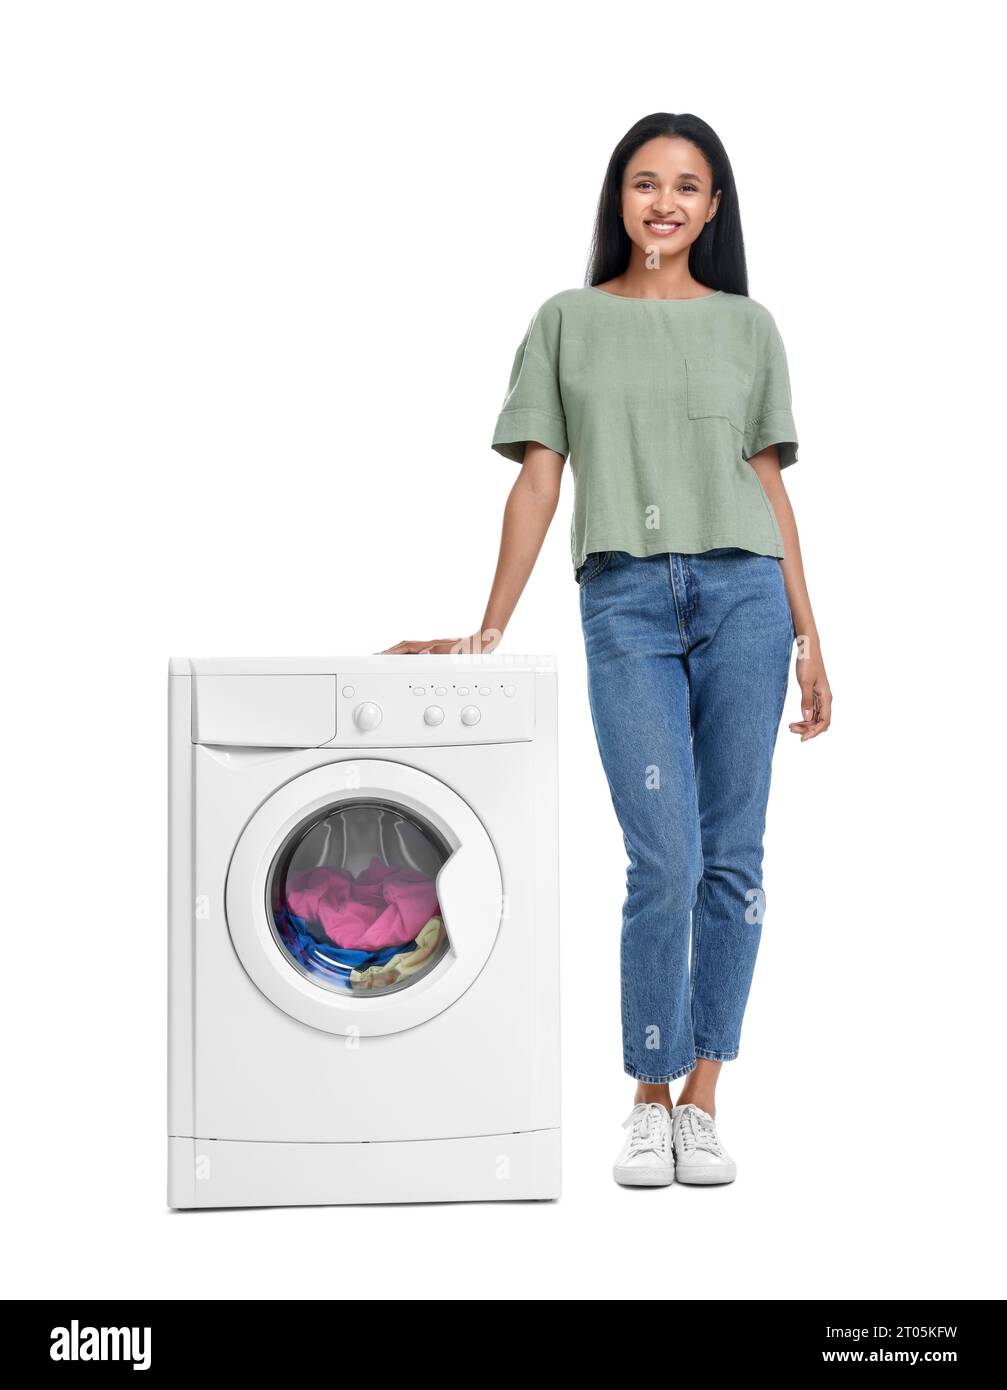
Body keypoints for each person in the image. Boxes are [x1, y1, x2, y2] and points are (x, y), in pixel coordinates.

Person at [385, 112, 832, 1189]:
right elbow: (538, 478)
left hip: (743, 599)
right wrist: (489, 623)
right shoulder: (566, 321)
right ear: (617, 199)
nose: (663, 203)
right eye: (643, 183)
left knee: (731, 858)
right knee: (662, 857)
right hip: (624, 599)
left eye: (686, 185)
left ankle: (703, 1100)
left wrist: (812, 636)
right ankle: (646, 1089)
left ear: (713, 206)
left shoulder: (749, 326)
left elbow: (767, 489)